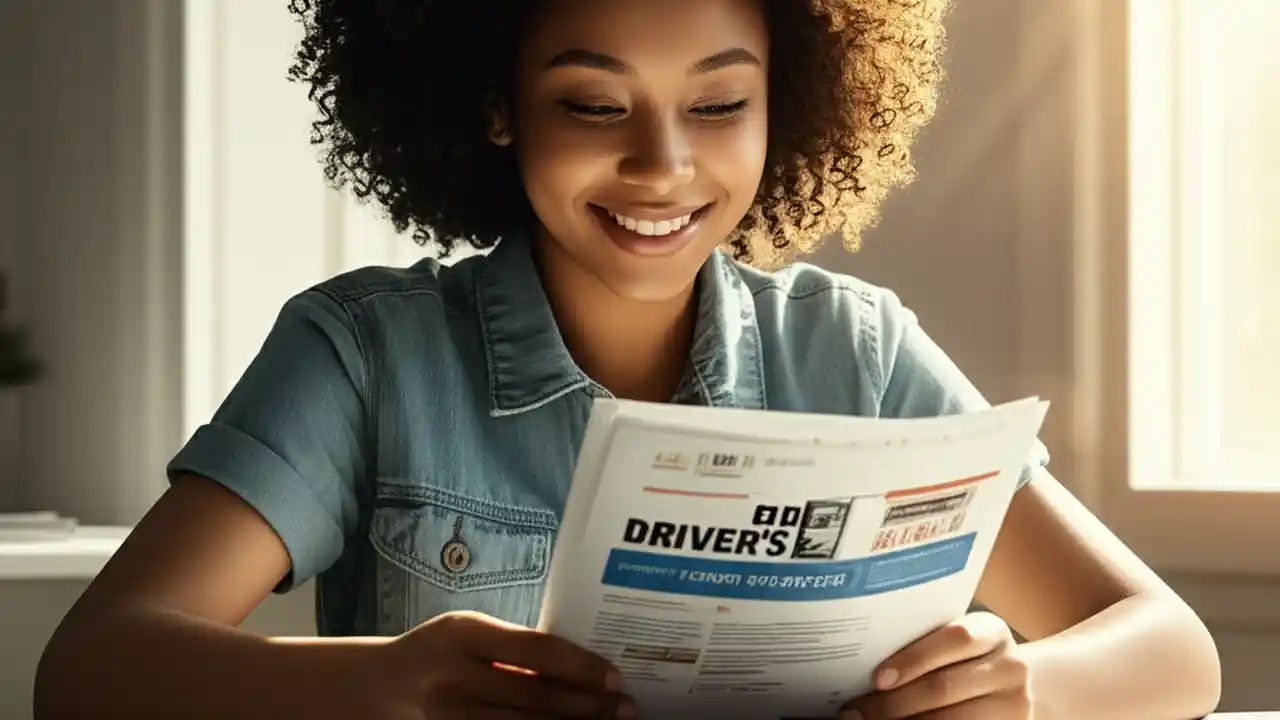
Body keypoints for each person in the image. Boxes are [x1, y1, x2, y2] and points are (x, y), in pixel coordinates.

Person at [35, 1, 1222, 718]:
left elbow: (1170, 647)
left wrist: (1023, 689)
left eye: (718, 106)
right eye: (594, 107)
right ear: (496, 105)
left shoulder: (853, 352)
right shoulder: (363, 355)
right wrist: (371, 689)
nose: (661, 167)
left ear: (786, 105)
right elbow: (91, 673)